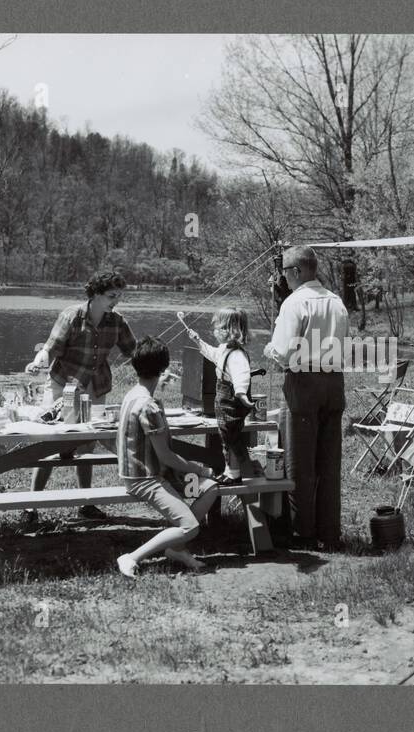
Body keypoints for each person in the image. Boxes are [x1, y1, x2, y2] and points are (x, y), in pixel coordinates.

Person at [23, 269, 136, 524]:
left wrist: (157, 370)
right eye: (110, 295)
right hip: (62, 386)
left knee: (87, 445)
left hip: (96, 388)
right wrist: (37, 362)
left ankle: (86, 504)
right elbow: (50, 350)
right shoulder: (71, 316)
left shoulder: (117, 321)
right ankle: (31, 505)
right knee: (50, 444)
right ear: (95, 294)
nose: (115, 300)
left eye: (118, 296)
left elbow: (134, 352)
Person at [264, 245, 349, 549]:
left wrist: (270, 350)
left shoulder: (295, 302)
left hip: (303, 381)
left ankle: (303, 531)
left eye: (285, 273)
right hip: (333, 381)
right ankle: (329, 529)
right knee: (328, 461)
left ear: (296, 272)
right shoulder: (337, 302)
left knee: (298, 460)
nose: (283, 279)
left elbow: (284, 351)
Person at [115, 337, 219, 578]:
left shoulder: (135, 394)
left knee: (210, 488)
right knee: (190, 526)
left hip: (159, 473)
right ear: (163, 368)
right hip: (144, 479)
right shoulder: (148, 406)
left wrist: (199, 475)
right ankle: (132, 557)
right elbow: (167, 456)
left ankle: (176, 548)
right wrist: (198, 469)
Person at [177, 307, 257, 484]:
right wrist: (199, 342)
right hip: (223, 401)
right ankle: (236, 470)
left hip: (232, 401)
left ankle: (235, 473)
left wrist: (241, 393)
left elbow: (242, 376)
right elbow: (213, 355)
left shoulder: (237, 355)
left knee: (231, 438)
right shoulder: (223, 349)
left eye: (217, 327)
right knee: (226, 438)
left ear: (229, 331)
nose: (214, 330)